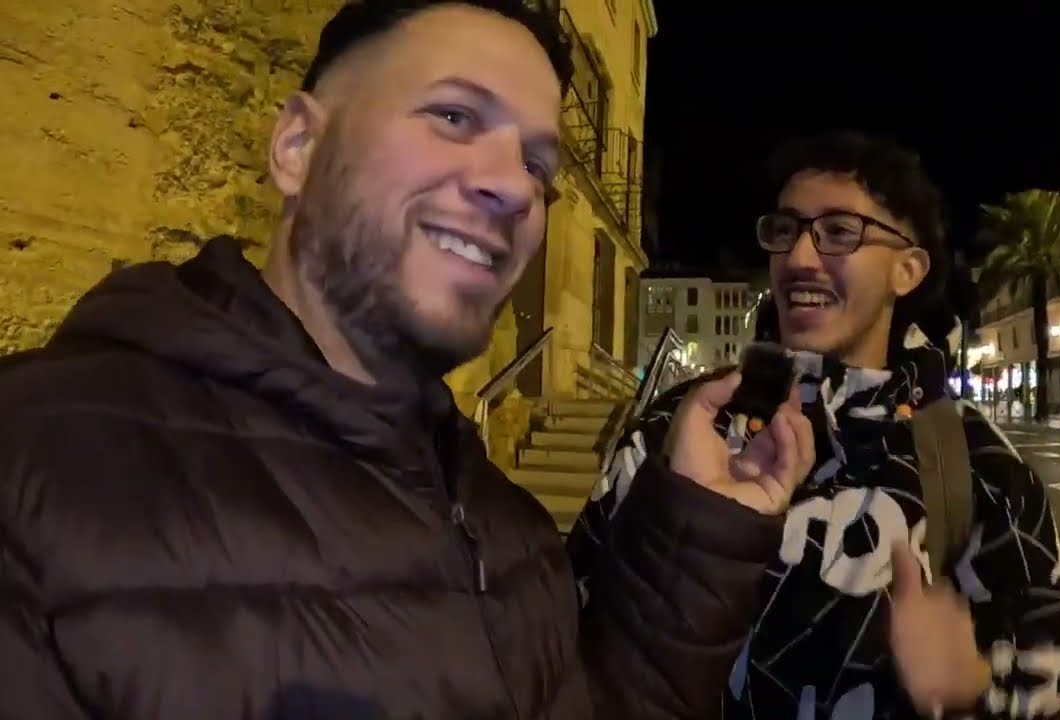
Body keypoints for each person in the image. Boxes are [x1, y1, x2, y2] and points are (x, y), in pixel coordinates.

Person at [0, 2, 817, 718]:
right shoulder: (40, 472)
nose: (514, 186)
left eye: (539, 163)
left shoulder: (511, 530)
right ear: (296, 145)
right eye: (455, 116)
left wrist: (699, 531)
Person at [570, 131, 1060, 720]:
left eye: (839, 232)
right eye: (785, 231)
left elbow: (1051, 659)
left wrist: (974, 685)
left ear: (908, 270)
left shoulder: (977, 462)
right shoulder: (681, 424)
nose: (799, 258)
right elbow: (572, 616)